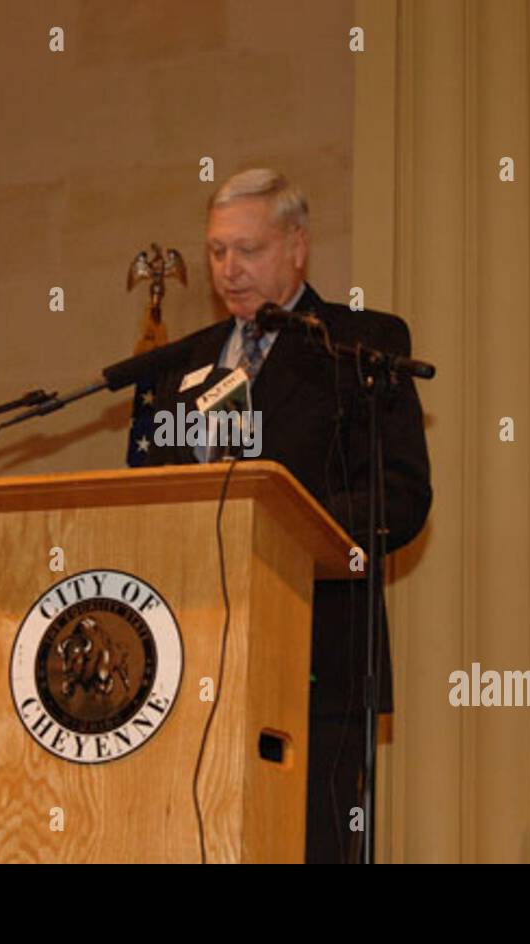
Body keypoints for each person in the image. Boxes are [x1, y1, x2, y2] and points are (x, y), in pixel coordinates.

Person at [138, 168, 433, 862]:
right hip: (192, 657)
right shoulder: (185, 364)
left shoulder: (360, 345)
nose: (229, 270)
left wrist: (281, 531)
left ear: (297, 247)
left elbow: (401, 495)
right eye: (216, 252)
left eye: (249, 250)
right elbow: (154, 494)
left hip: (316, 655)